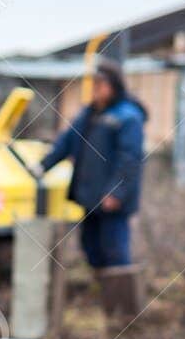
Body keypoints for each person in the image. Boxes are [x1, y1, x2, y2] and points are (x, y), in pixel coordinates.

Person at [35, 61, 148, 316]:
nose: (95, 89)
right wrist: (43, 165)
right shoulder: (90, 114)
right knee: (91, 248)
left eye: (100, 84)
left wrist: (116, 192)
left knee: (115, 252)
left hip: (112, 202)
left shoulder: (127, 117)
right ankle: (104, 300)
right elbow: (67, 141)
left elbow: (130, 160)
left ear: (113, 86)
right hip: (90, 198)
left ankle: (123, 312)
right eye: (94, 84)